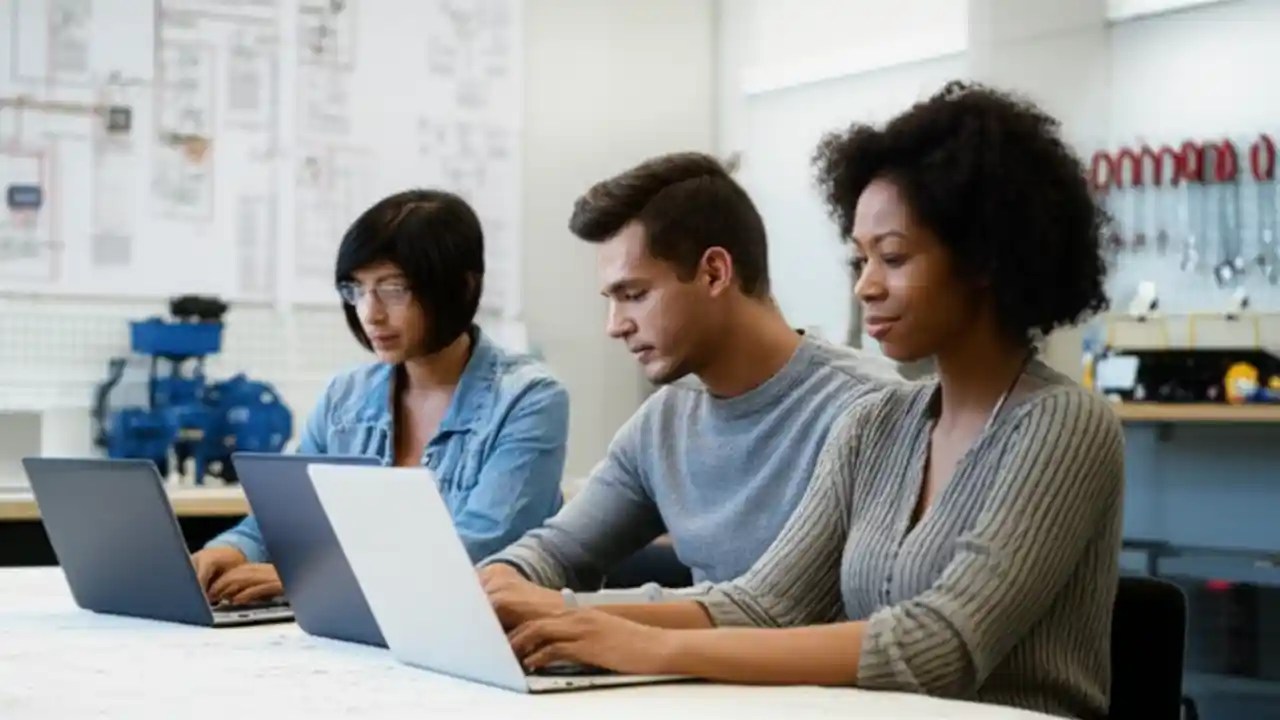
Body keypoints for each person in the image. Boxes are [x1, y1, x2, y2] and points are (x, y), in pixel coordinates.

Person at [504, 83, 1124, 720]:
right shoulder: (877, 425)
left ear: (984, 260)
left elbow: (939, 645)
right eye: (860, 259)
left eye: (893, 257)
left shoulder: (1064, 423)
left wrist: (654, 647)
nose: (866, 285)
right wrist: (555, 611)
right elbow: (763, 604)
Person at [478, 152, 900, 626]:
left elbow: (772, 608)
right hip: (702, 690)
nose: (615, 326)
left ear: (714, 272)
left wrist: (568, 610)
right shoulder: (664, 422)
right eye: (611, 300)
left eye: (634, 295)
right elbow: (559, 549)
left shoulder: (869, 409)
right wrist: (498, 581)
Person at [192, 189, 570, 604]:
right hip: (356, 633)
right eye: (356, 289)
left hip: (481, 638)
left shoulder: (527, 399)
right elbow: (288, 521)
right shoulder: (344, 398)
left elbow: (479, 551)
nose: (370, 313)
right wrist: (227, 552)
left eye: (394, 289)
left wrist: (314, 579)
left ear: (461, 288)